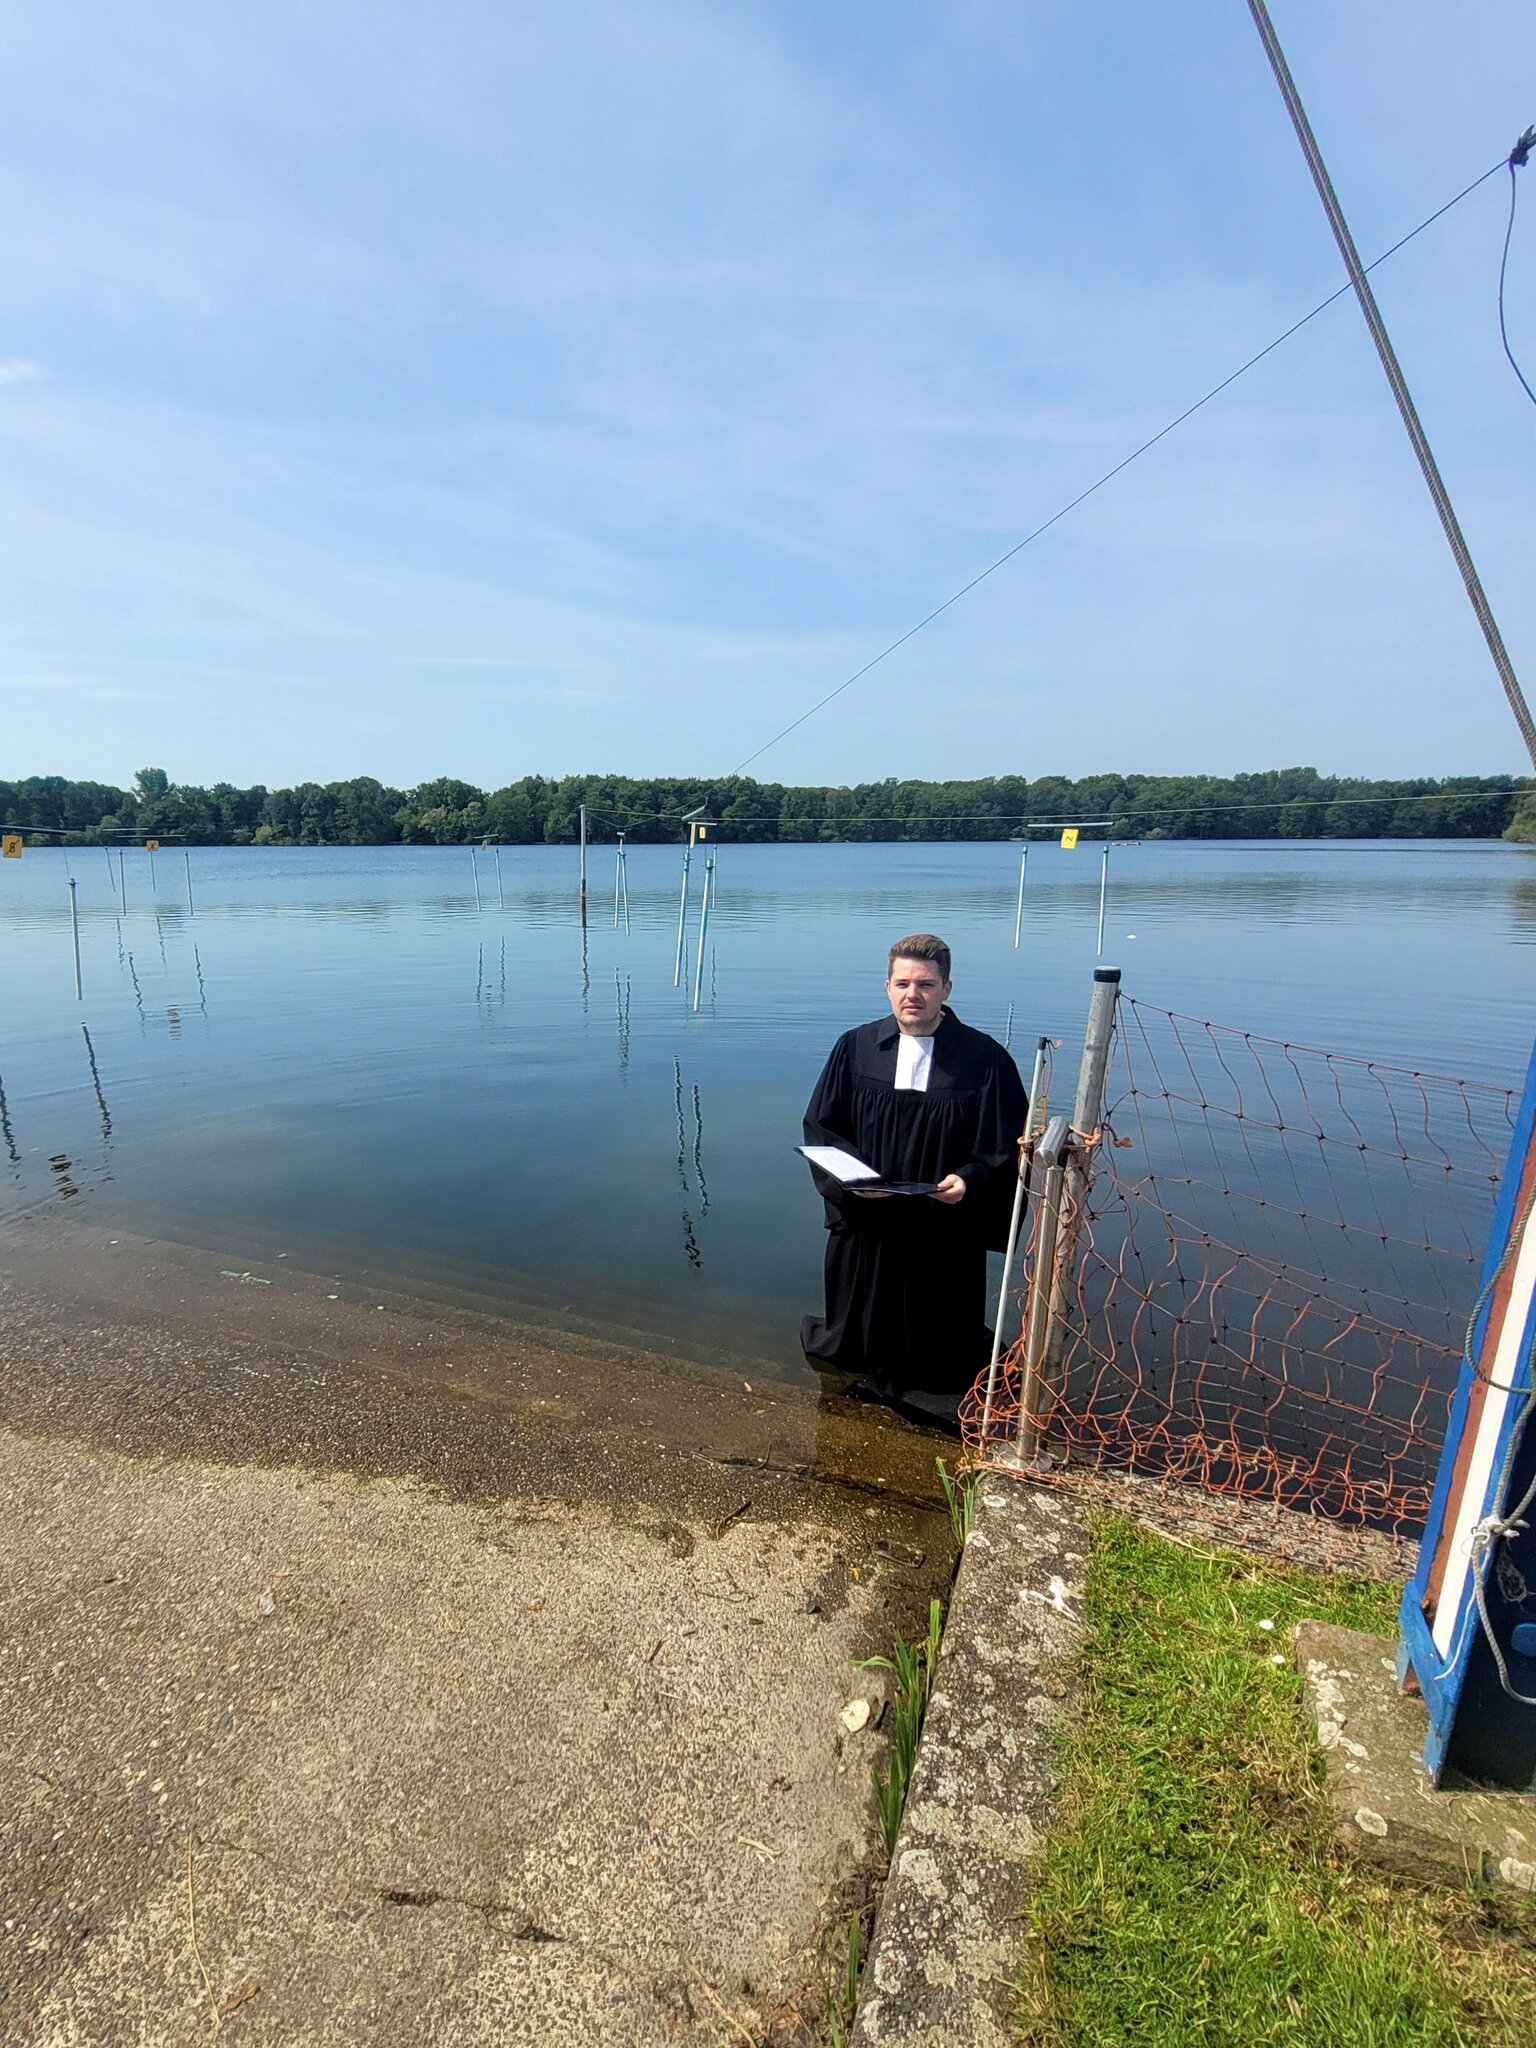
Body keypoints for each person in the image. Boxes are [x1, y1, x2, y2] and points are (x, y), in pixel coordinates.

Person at [800, 933, 1028, 1428]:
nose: (913, 994)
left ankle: (932, 1375)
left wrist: (969, 1181)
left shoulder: (985, 1060)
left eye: (926, 984)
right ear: (887, 986)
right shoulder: (855, 1047)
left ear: (947, 987)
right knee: (856, 1330)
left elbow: (1005, 1144)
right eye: (903, 983)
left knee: (940, 1342)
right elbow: (823, 1127)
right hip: (870, 1215)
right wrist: (855, 1184)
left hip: (940, 1221)